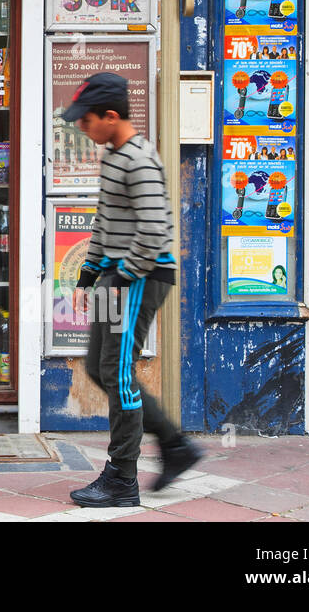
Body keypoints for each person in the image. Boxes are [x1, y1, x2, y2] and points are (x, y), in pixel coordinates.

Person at [65, 72, 202, 507]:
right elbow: (106, 223)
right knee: (98, 366)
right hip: (116, 277)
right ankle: (175, 446)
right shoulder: (114, 156)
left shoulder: (140, 159)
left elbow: (155, 230)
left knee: (118, 372)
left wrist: (122, 276)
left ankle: (121, 477)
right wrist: (89, 274)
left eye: (86, 121)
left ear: (111, 116)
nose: (82, 129)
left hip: (141, 278)